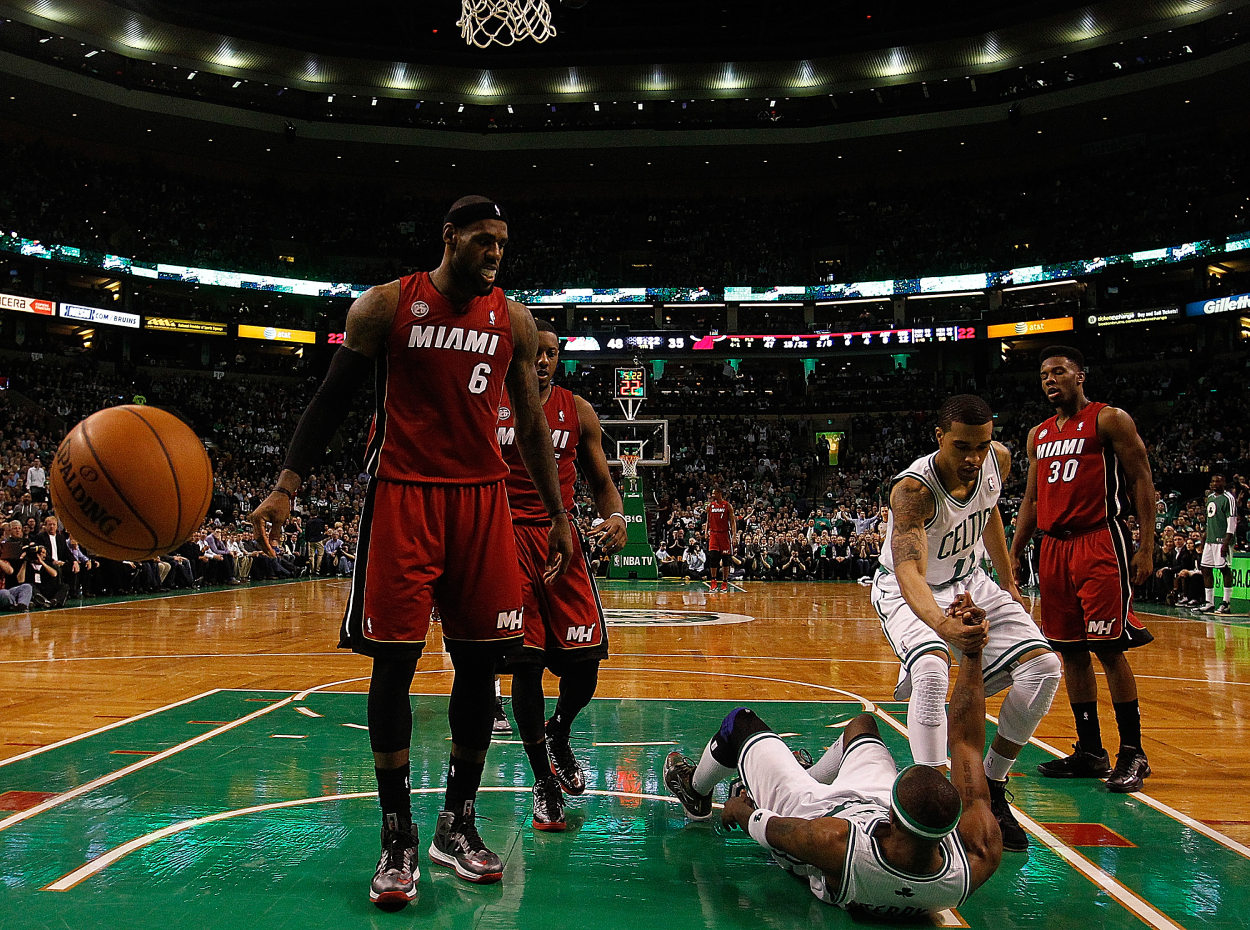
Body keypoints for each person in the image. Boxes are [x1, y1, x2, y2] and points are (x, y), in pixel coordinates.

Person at [249, 196, 573, 910]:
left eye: (503, 243)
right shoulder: (387, 306)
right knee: (394, 663)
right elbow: (331, 400)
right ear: (449, 237)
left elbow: (526, 418)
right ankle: (396, 834)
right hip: (403, 494)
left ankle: (456, 824)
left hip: (484, 498)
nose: (495, 253)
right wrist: (286, 487)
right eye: (483, 240)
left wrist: (556, 515)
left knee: (481, 662)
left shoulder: (513, 319)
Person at [663, 592, 1002, 918]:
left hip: (809, 809)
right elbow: (966, 744)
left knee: (740, 723)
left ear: (892, 817)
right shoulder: (976, 856)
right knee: (862, 726)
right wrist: (972, 653)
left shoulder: (835, 844)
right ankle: (800, 772)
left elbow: (779, 832)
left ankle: (694, 790)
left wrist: (741, 812)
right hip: (868, 813)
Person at [872, 394, 1061, 852]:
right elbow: (908, 571)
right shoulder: (913, 491)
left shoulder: (997, 460)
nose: (973, 458)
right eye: (961, 447)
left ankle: (992, 786)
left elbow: (989, 510)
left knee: (1044, 669)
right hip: (910, 588)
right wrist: (942, 625)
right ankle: (931, 807)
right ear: (939, 438)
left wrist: (1009, 582)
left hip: (969, 581)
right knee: (934, 673)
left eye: (981, 445)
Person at [496, 318, 628, 831]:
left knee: (586, 667)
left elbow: (602, 482)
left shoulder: (578, 410)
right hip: (504, 539)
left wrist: (615, 517)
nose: (544, 359)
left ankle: (560, 729)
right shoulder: (489, 402)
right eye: (537, 352)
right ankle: (543, 780)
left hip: (562, 540)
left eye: (552, 352)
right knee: (524, 667)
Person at [1009, 346, 1156, 793]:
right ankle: (1090, 749)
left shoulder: (1109, 419)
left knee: (1109, 648)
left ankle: (1133, 751)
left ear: (1081, 376)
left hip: (1098, 540)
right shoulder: (1038, 434)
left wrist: (1147, 544)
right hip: (1052, 547)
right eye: (1043, 375)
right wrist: (1015, 550)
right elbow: (1032, 499)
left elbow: (1141, 479)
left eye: (1059, 372)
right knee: (1070, 651)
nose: (1050, 380)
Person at [1198, 471, 1237, 614]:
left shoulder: (1229, 498)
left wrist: (1226, 542)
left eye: (1218, 481)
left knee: (1224, 569)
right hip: (1210, 540)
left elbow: (1232, 520)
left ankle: (1226, 603)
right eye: (1213, 481)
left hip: (1222, 539)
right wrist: (1204, 539)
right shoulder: (1210, 498)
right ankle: (1209, 602)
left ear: (1224, 483)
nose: (1215, 484)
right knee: (1206, 569)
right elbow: (1209, 521)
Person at [705, 487, 736, 591]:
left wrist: (734, 535)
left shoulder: (727, 505)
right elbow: (708, 520)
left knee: (725, 559)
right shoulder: (710, 506)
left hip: (724, 534)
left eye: (714, 493)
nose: (712, 495)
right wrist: (706, 531)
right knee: (713, 558)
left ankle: (724, 582)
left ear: (719, 493)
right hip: (714, 534)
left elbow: (732, 521)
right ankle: (713, 582)